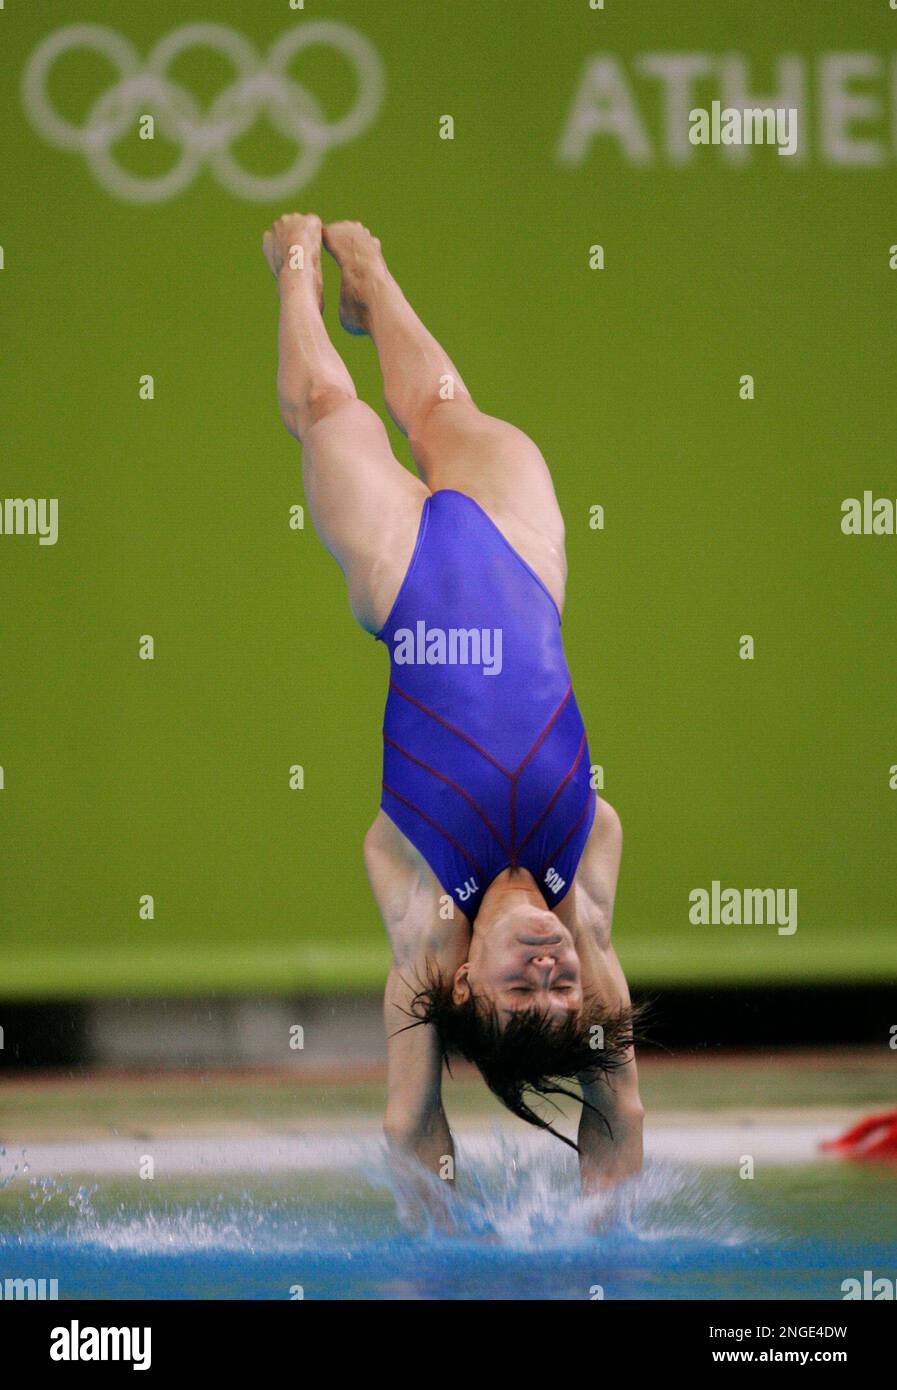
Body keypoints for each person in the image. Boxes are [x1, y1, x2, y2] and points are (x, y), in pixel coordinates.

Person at [263, 213, 644, 1195]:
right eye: (566, 983)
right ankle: (372, 271)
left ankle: (296, 263)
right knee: (441, 406)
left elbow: (408, 1116)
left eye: (527, 986)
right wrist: (610, 1236)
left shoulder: (428, 926)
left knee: (326, 407)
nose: (555, 964)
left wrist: (439, 1253)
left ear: (469, 983)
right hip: (522, 568)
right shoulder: (585, 896)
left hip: (408, 586)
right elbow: (623, 1109)